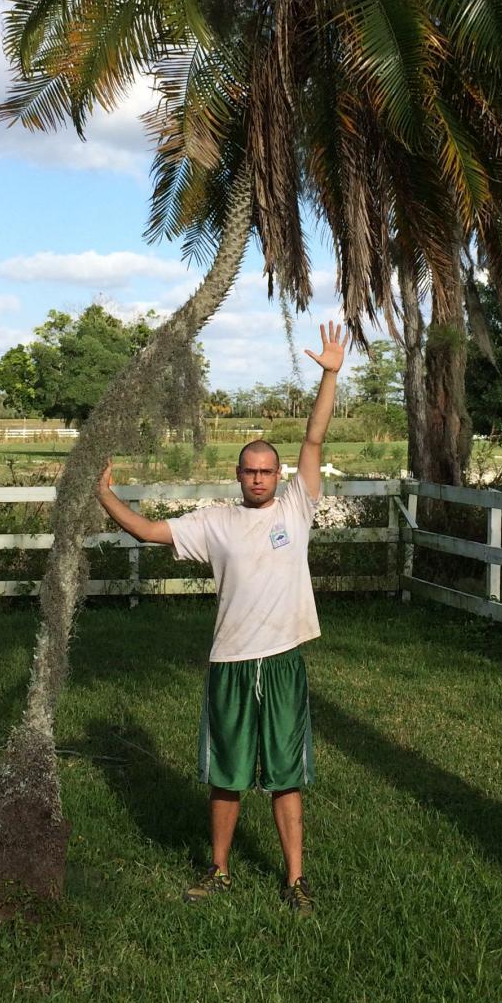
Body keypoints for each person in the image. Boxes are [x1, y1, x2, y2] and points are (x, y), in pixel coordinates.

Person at [95, 320, 348, 917]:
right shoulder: (214, 521)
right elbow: (153, 532)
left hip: (282, 661)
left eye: (267, 470)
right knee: (227, 776)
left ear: (279, 476)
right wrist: (105, 496)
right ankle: (219, 870)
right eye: (249, 471)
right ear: (238, 476)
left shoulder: (298, 507)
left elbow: (314, 440)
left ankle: (294, 880)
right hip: (230, 663)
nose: (258, 478)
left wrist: (330, 374)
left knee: (286, 775)